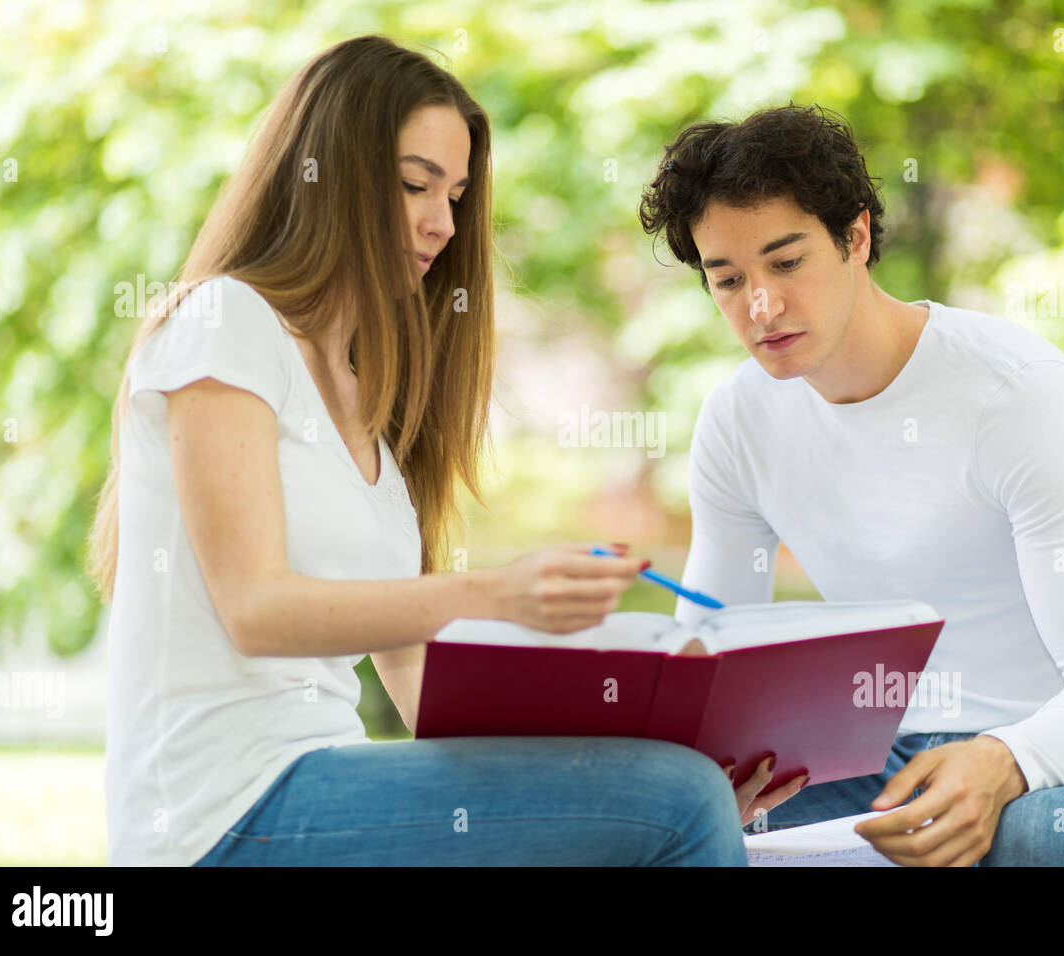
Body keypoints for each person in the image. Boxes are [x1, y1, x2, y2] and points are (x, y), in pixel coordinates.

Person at [86, 35, 749, 867]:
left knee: (677, 790)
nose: (443, 222)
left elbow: (415, 679)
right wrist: (493, 593)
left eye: (458, 194)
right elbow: (254, 610)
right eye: (413, 185)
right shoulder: (226, 321)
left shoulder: (365, 408)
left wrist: (623, 764)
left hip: (321, 782)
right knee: (677, 805)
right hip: (216, 817)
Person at [637, 103, 1064, 866]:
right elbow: (710, 659)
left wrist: (1002, 761)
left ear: (855, 236)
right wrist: (713, 771)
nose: (759, 307)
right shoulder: (739, 418)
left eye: (786, 262)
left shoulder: (1017, 394)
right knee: (657, 820)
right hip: (883, 759)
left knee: (1032, 841)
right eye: (727, 279)